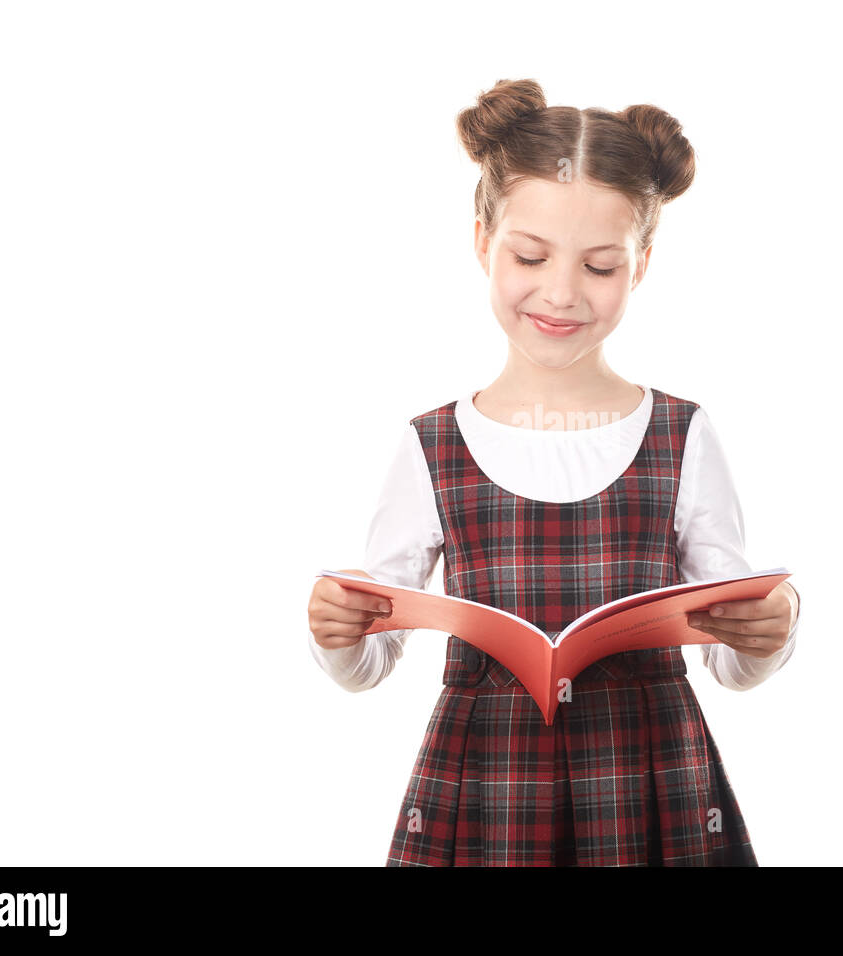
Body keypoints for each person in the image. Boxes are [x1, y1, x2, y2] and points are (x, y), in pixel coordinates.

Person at [306, 78, 800, 866]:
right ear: (482, 244)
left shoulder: (683, 435)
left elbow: (735, 655)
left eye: (600, 267)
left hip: (646, 787)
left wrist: (770, 629)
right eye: (530, 256)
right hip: (487, 789)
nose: (561, 292)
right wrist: (336, 631)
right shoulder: (431, 444)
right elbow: (369, 658)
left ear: (640, 266)